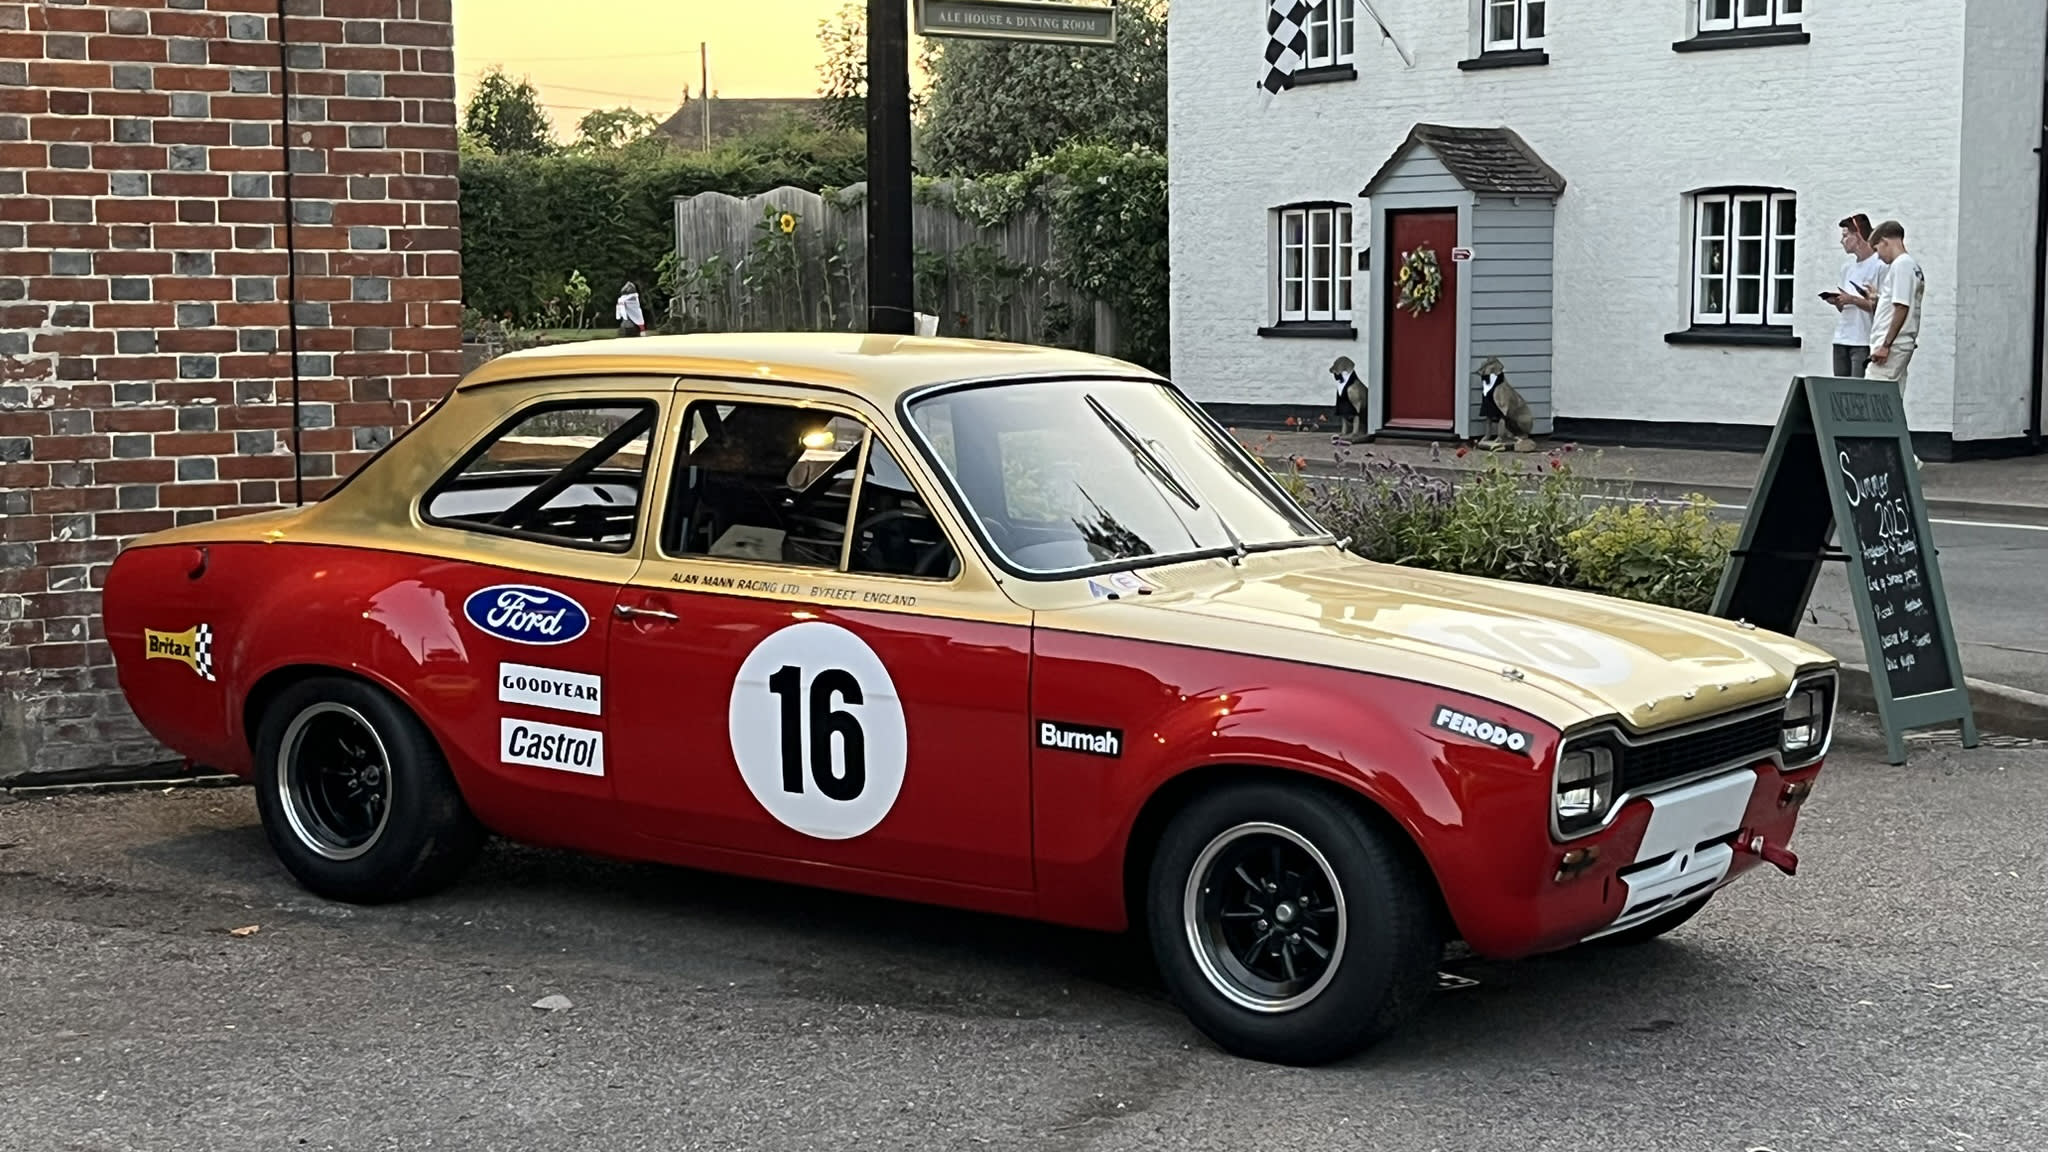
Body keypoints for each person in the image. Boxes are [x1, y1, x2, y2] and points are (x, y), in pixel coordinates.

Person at [1863, 220, 1924, 389]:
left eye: (1876, 249)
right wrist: (1878, 300)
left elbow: (1901, 307)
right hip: (1901, 343)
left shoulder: (1902, 265)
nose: (1878, 257)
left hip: (1892, 347)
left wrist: (1885, 345)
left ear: (1884, 241)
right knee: (1892, 398)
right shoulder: (1911, 267)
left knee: (1874, 397)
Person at [1823, 213, 1882, 377]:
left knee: (1857, 392)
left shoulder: (1878, 265)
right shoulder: (1847, 268)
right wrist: (1839, 302)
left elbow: (1880, 307)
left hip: (1863, 339)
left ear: (1857, 236)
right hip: (1842, 337)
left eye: (1845, 235)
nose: (1842, 241)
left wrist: (1854, 300)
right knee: (1839, 391)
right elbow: (1845, 309)